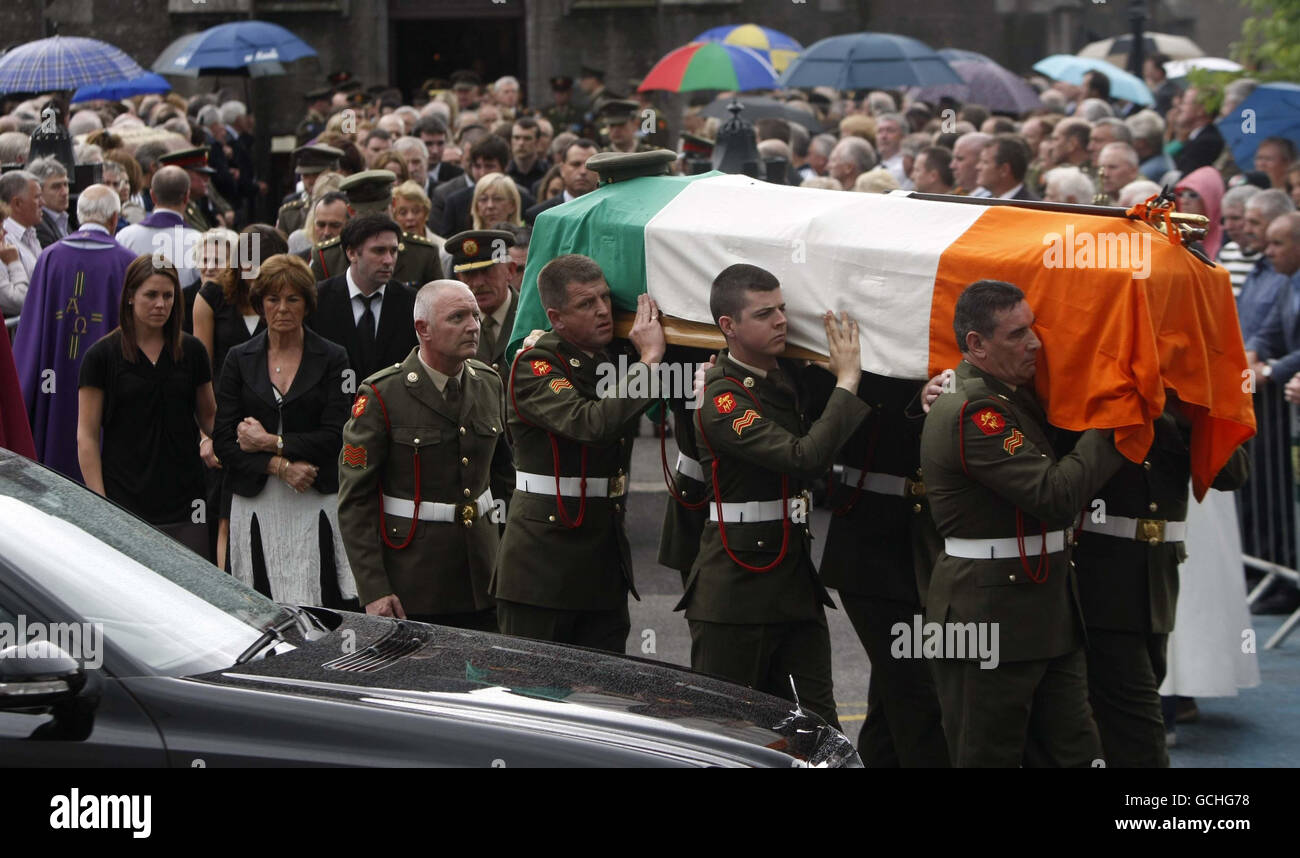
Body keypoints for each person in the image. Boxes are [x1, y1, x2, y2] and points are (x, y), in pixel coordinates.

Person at [920, 280, 1126, 767]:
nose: (1034, 342)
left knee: (1078, 754)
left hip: (1044, 609)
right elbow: (1055, 495)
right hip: (986, 617)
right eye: (1016, 335)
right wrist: (1118, 422)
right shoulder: (976, 412)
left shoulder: (1013, 398)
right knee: (988, 755)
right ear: (977, 345)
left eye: (1032, 328)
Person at [680, 264, 867, 730]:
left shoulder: (785, 377)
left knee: (817, 729)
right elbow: (803, 457)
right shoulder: (722, 397)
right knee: (726, 731)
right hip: (737, 590)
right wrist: (846, 382)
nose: (782, 320)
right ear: (729, 327)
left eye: (784, 309)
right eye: (765, 313)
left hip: (793, 584)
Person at [493, 255, 665, 651]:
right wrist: (650, 360)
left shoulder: (610, 358)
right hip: (543, 570)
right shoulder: (535, 364)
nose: (603, 310)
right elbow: (591, 424)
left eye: (605, 298)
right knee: (536, 695)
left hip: (603, 562)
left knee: (602, 697)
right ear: (556, 318)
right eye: (586, 304)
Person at [1072, 397, 1249, 767]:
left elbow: (1232, 474)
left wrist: (1194, 411)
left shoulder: (1186, 400)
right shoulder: (1100, 388)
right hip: (1101, 574)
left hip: (1157, 577)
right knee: (1136, 724)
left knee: (1133, 701)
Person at [338, 280, 514, 629]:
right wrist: (374, 589)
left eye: (476, 316)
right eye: (457, 317)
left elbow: (504, 477)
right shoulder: (381, 395)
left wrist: (511, 559)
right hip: (415, 578)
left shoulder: (488, 382)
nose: (473, 326)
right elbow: (356, 500)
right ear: (423, 329)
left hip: (484, 570)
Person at [820, 369, 950, 766]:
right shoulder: (866, 363)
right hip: (871, 551)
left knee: (890, 703)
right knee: (918, 698)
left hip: (931, 548)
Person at [212, 253, 356, 608]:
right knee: (259, 607)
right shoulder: (238, 358)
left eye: (293, 298)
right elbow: (224, 442)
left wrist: (269, 441)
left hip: (315, 499)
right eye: (273, 299)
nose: (282, 308)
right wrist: (280, 466)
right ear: (260, 303)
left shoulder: (333, 357)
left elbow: (336, 436)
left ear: (307, 304)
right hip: (255, 501)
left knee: (323, 605)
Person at [77, 256, 215, 556]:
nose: (161, 304)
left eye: (168, 296)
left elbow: (210, 417)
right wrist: (100, 503)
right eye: (151, 295)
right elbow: (86, 436)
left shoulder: (191, 351)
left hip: (186, 503)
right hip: (124, 501)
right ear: (130, 296)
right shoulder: (101, 357)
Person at [14, 185, 136, 482]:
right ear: (114, 218)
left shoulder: (50, 257)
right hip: (108, 384)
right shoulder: (127, 261)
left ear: (78, 215)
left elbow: (32, 331)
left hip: (52, 381)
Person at [193, 225, 284, 568]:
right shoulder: (211, 298)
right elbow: (201, 373)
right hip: (223, 421)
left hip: (270, 422)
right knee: (226, 519)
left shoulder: (282, 300)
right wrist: (207, 435)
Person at [308, 214, 418, 381]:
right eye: (379, 251)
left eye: (393, 251)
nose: (389, 260)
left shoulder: (411, 302)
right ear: (352, 253)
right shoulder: (318, 299)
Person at [309, 170, 443, 289]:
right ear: (350, 211)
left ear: (394, 205)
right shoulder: (327, 257)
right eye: (365, 217)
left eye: (381, 212)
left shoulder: (423, 254)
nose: (375, 225)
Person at [116, 166, 202, 315]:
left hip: (136, 322)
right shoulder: (199, 241)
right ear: (187, 197)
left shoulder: (125, 236)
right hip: (183, 322)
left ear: (153, 196)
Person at [444, 229, 518, 374]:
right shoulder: (448, 325)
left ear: (510, 270)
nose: (478, 283)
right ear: (459, 277)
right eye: (469, 274)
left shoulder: (533, 316)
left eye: (487, 271)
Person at [525, 138, 599, 223]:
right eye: (576, 164)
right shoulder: (539, 215)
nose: (583, 171)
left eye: (589, 166)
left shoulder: (610, 212)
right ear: (562, 169)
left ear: (599, 171)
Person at [277, 144, 343, 236]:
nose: (310, 181)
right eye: (305, 176)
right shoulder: (290, 214)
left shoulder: (351, 206)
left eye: (317, 174)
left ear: (336, 173)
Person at [1174, 166, 1225, 260]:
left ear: (1212, 198)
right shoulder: (1171, 233)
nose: (1184, 201)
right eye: (1180, 195)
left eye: (1192, 195)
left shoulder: (1227, 238)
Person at [1173, 87, 1225, 175]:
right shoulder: (1196, 136)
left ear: (1201, 110)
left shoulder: (1206, 142)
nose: (1179, 108)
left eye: (1184, 103)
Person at [974, 136, 1039, 201]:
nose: (978, 167)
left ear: (1004, 170)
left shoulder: (1030, 208)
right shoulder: (985, 200)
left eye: (985, 162)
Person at [29, 156, 75, 247]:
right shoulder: (38, 225)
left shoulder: (64, 217)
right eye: (56, 187)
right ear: (38, 191)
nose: (64, 192)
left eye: (66, 185)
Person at [506, 117, 548, 194]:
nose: (521, 143)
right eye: (516, 138)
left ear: (537, 142)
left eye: (527, 138)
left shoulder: (548, 174)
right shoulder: (504, 173)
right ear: (511, 140)